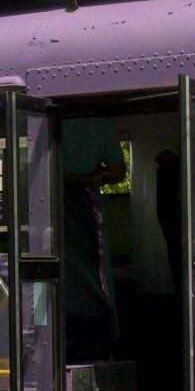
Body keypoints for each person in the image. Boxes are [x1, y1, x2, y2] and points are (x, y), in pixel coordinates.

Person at [62, 117, 125, 361]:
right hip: (87, 202)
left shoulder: (53, 120)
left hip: (51, 200)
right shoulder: (100, 125)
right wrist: (91, 177)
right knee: (97, 270)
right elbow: (118, 172)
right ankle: (103, 336)